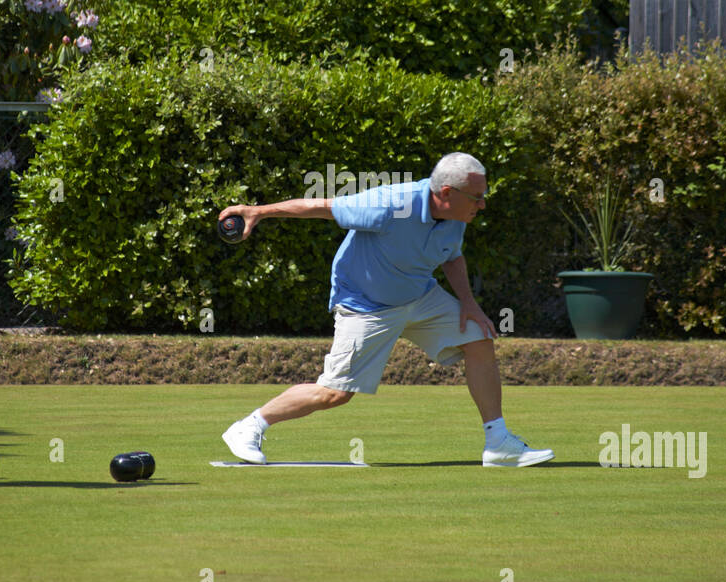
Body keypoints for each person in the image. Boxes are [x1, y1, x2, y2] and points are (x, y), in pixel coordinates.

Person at [219, 152, 553, 467]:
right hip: (366, 305)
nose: (483, 203)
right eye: (477, 196)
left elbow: (451, 255)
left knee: (479, 338)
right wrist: (258, 211)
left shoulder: (457, 214)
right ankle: (249, 426)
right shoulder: (393, 203)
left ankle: (497, 444)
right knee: (334, 393)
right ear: (447, 192)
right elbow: (322, 206)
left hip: (420, 296)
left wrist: (469, 303)